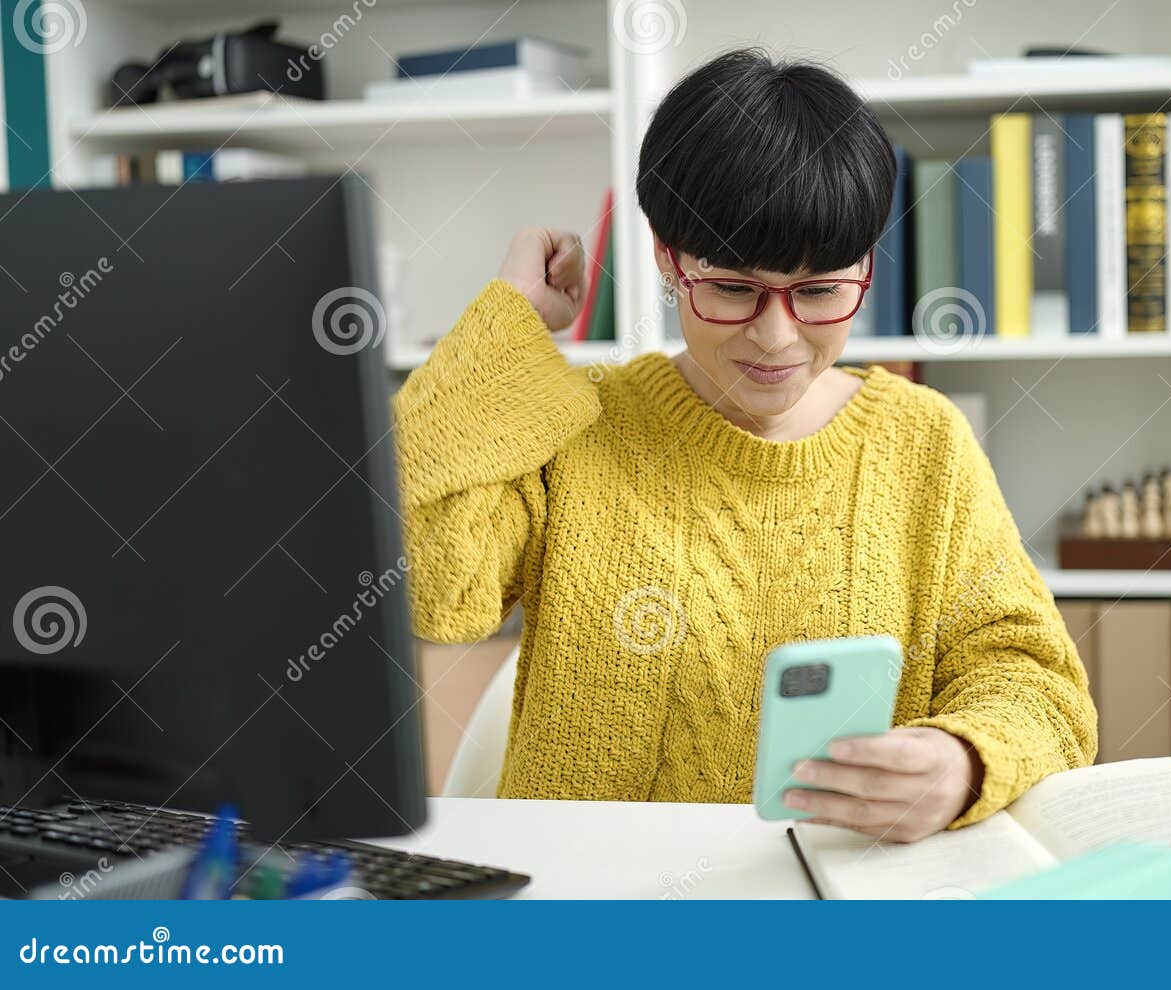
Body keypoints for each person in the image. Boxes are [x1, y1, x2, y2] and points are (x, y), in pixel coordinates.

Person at [394, 48, 1096, 842]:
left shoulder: (924, 442)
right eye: (732, 288)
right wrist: (509, 322)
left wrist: (962, 758)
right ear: (667, 257)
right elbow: (434, 593)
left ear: (866, 266)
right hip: (590, 888)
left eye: (819, 291)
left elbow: (1036, 682)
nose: (776, 337)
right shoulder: (576, 427)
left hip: (829, 886)